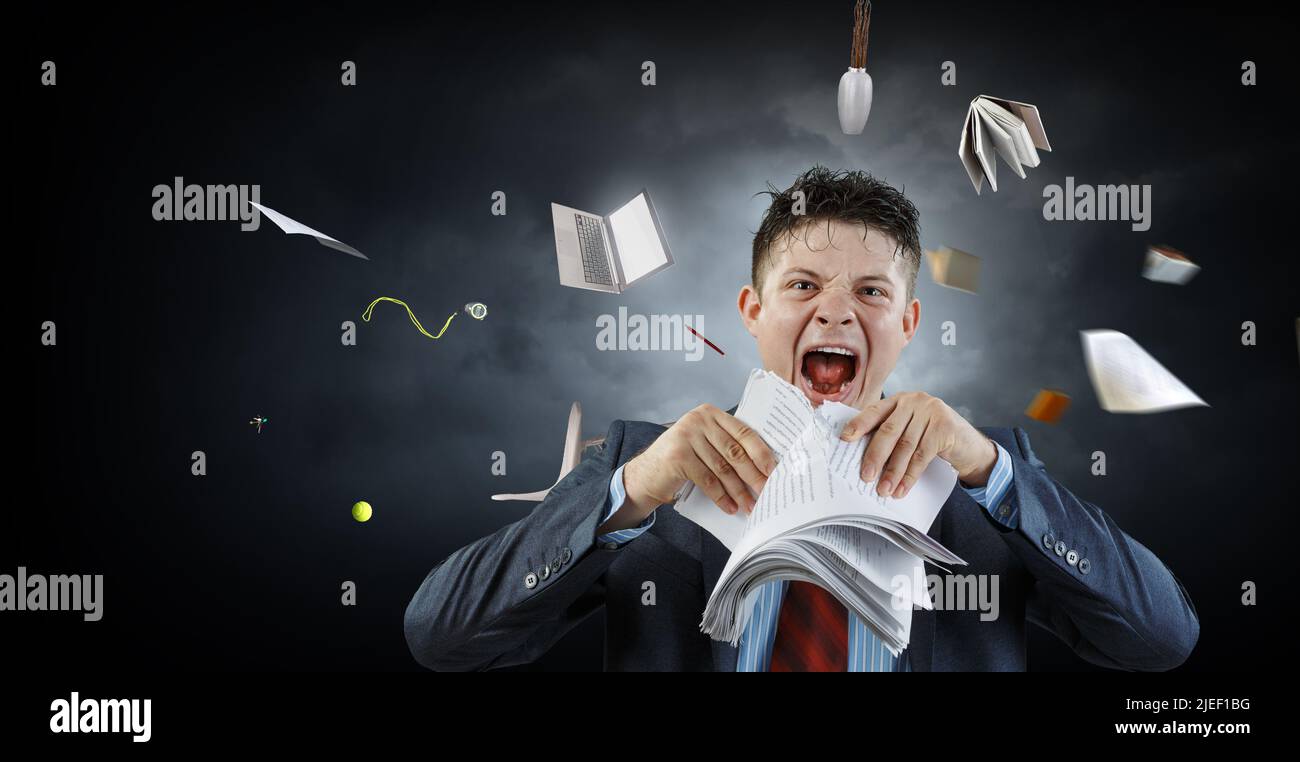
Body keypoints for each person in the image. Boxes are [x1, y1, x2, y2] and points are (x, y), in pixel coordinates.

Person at [403, 166, 1199, 671]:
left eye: (871, 292)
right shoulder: (642, 464)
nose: (836, 312)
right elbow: (441, 636)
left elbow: (1162, 640)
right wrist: (630, 493)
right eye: (804, 286)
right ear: (753, 311)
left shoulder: (982, 480)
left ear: (909, 324)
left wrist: (994, 473)